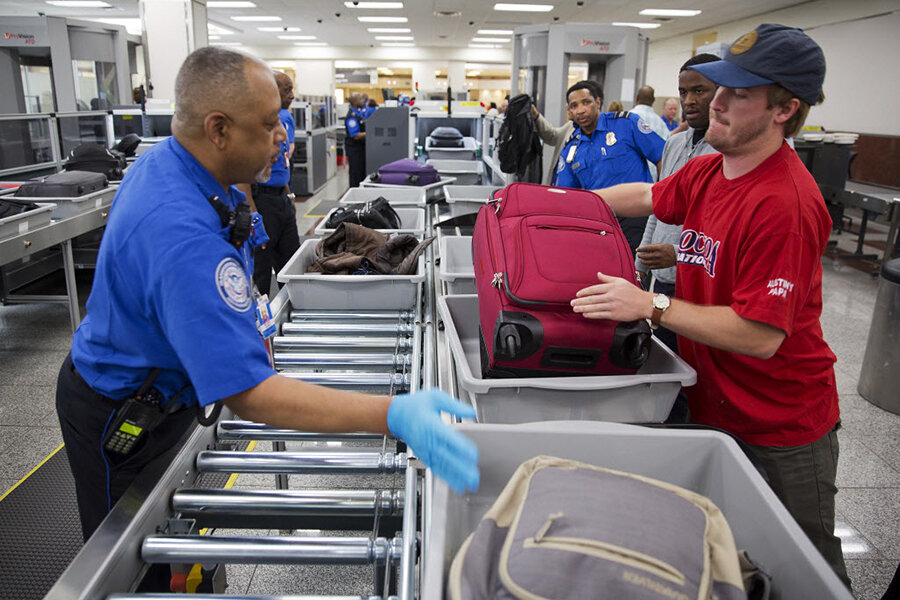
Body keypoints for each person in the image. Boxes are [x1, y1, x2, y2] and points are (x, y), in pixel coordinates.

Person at [55, 47, 479, 542]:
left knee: (181, 539)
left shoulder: (184, 167)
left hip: (168, 387)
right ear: (219, 130)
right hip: (123, 413)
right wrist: (392, 414)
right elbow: (250, 392)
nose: (283, 136)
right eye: (268, 123)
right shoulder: (180, 234)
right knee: (129, 556)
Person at [572, 24, 849, 586]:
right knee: (727, 553)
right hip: (712, 403)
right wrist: (558, 204)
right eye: (718, 87)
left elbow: (759, 335)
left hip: (779, 425)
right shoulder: (712, 165)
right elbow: (651, 194)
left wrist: (649, 304)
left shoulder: (785, 204)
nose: (716, 102)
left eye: (738, 93)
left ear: (784, 109)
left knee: (803, 567)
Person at [635, 53, 721, 425]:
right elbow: (658, 204)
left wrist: (680, 253)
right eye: (684, 91)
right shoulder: (675, 143)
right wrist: (640, 268)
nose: (689, 101)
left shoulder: (726, 150)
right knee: (669, 366)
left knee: (700, 372)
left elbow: (722, 228)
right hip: (664, 281)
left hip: (700, 284)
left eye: (699, 90)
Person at [534, 80, 666, 253]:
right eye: (574, 106)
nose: (581, 110)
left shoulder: (626, 124)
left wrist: (664, 201)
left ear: (598, 102)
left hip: (638, 217)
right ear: (569, 111)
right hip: (599, 223)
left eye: (586, 102)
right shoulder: (570, 150)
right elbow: (565, 196)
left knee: (635, 273)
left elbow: (662, 157)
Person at [238, 71, 300, 295]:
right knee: (262, 268)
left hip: (280, 200)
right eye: (286, 90)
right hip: (261, 201)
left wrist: (289, 195)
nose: (291, 95)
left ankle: (292, 313)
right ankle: (260, 323)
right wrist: (254, 217)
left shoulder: (280, 120)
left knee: (292, 262)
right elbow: (243, 177)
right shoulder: (252, 124)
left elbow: (282, 163)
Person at [344, 92, 368, 188]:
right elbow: (355, 135)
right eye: (360, 99)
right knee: (356, 173)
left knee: (361, 172)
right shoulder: (351, 117)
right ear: (355, 101)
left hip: (360, 149)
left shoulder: (358, 113)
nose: (363, 101)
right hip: (355, 150)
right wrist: (371, 133)